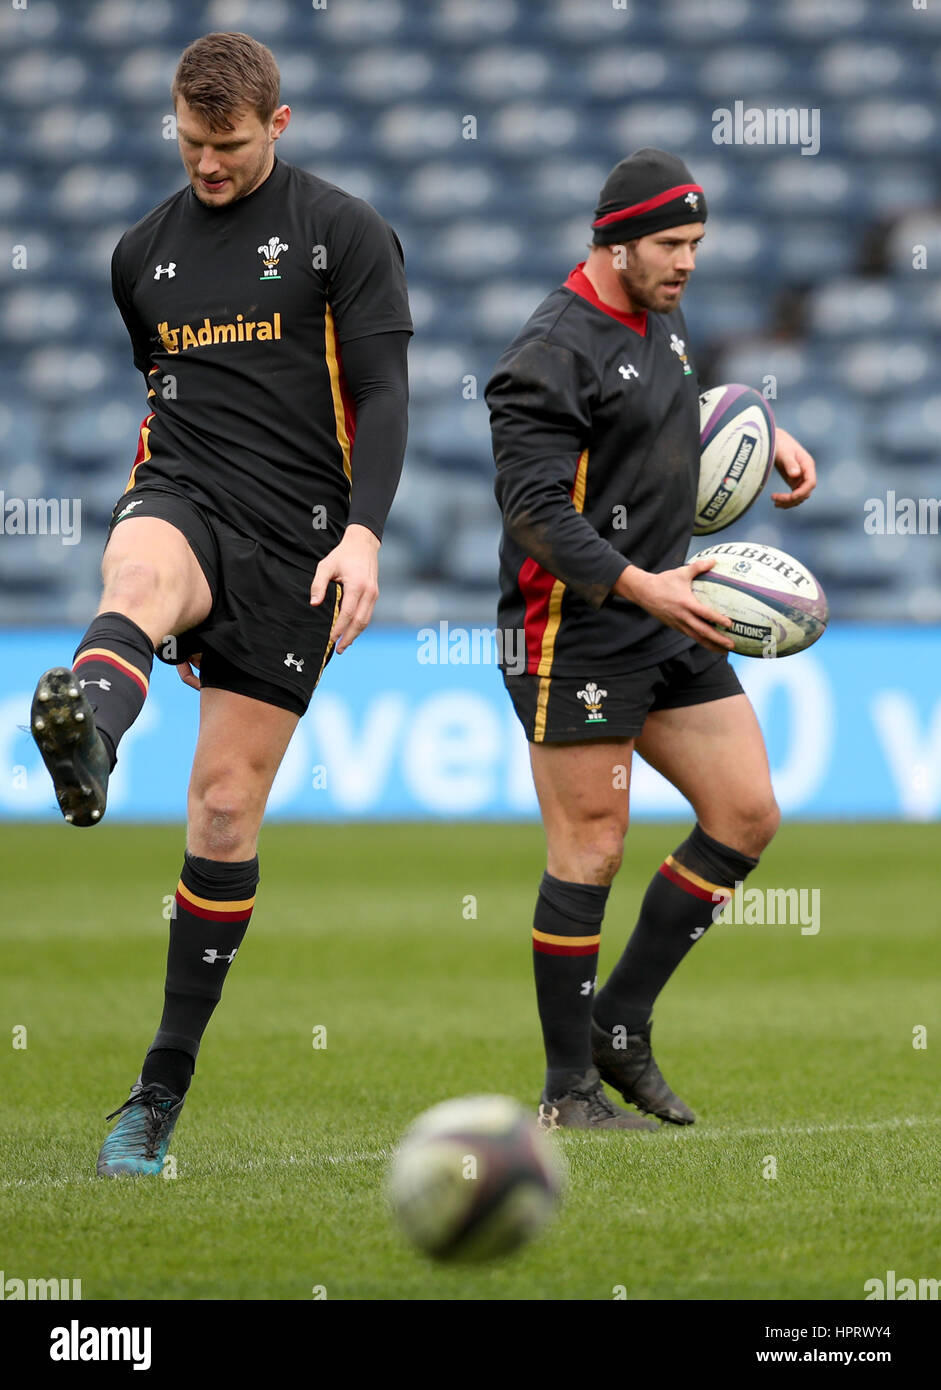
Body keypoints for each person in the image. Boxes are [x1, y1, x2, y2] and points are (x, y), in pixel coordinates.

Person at [29, 31, 412, 1174]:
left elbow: (385, 393)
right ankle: (87, 738)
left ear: (276, 126)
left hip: (298, 545)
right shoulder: (137, 253)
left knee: (222, 815)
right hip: (184, 490)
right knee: (136, 579)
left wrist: (363, 535)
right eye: (192, 143)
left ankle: (155, 1097)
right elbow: (166, 391)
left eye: (229, 145)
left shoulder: (343, 232)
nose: (207, 164)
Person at [485, 148, 815, 1131]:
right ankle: (565, 1091)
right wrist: (640, 587)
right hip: (572, 627)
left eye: (696, 244)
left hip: (670, 603)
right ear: (613, 239)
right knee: (590, 845)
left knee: (745, 813)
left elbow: (671, 405)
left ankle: (619, 1023)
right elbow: (534, 511)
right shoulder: (546, 355)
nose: (687, 262)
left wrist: (759, 429)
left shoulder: (654, 312)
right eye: (671, 244)